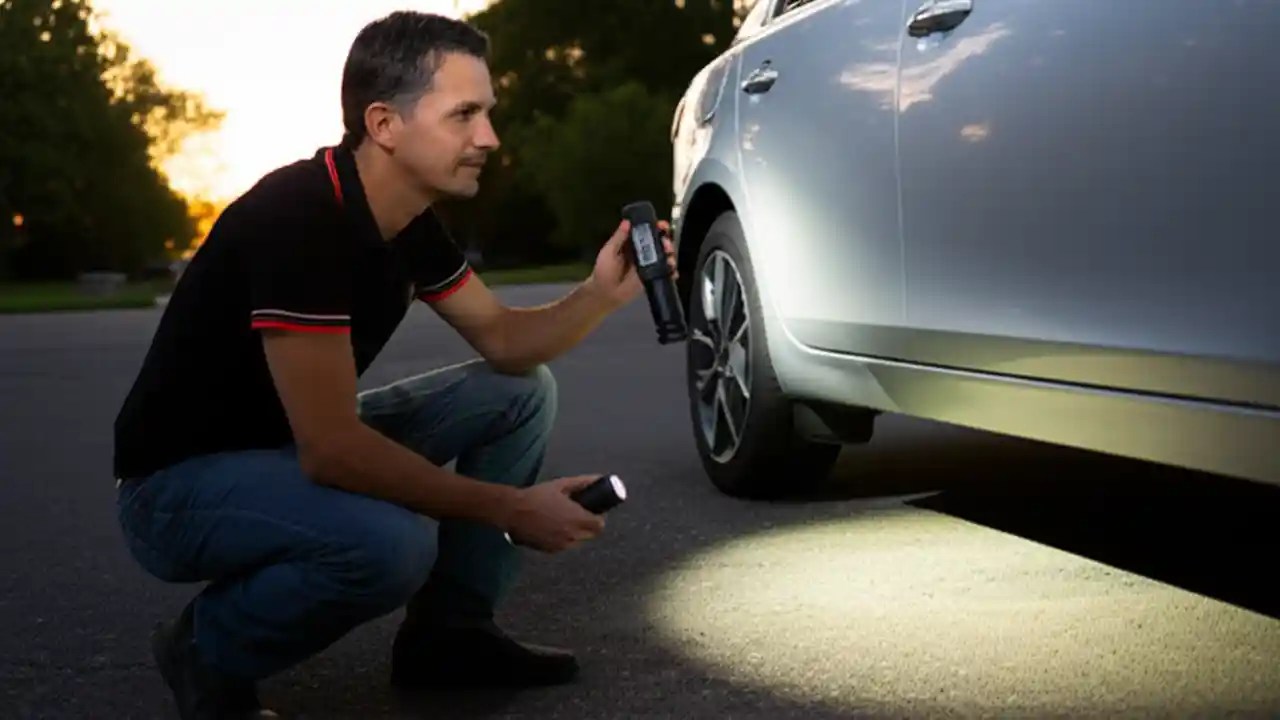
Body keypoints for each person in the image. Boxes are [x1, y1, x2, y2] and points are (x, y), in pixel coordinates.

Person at [112, 10, 676, 720]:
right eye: (464, 115)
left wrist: (599, 293)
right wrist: (512, 509)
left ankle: (450, 635)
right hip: (177, 487)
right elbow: (332, 450)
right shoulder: (299, 218)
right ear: (384, 124)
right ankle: (206, 645)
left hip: (285, 444)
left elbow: (503, 341)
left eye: (488, 114)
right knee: (391, 548)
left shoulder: (408, 221)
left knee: (519, 392)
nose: (489, 138)